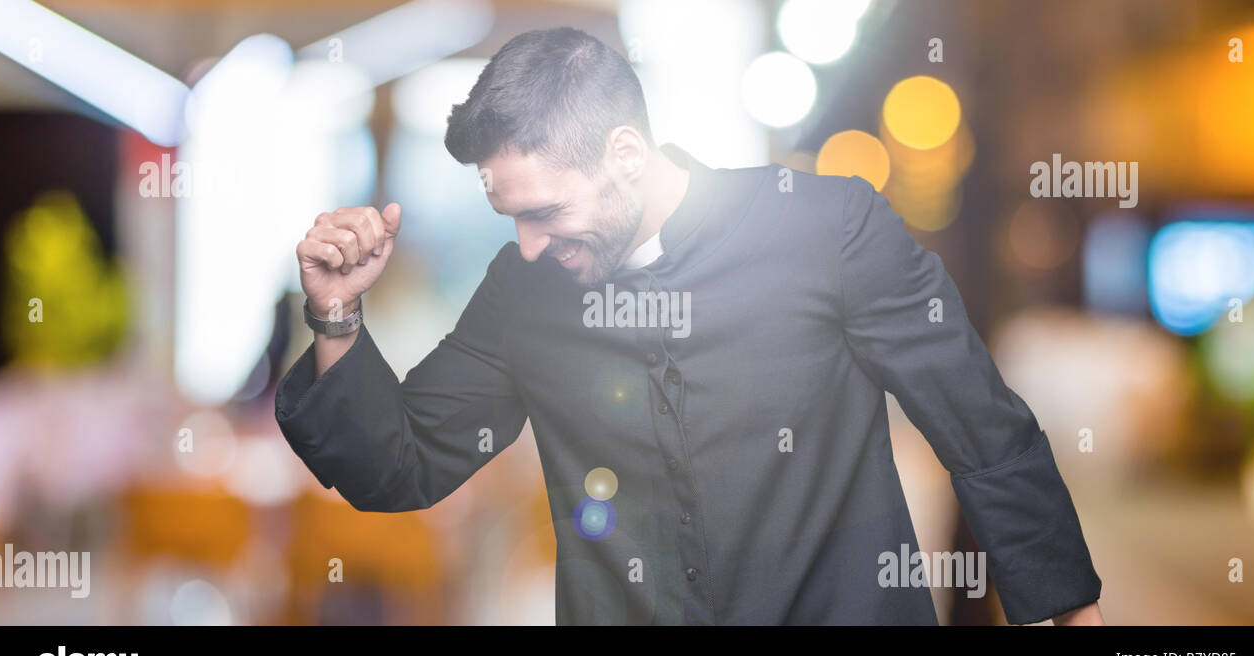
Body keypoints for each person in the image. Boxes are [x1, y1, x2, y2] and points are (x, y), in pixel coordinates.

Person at [274, 27, 1104, 625]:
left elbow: (981, 426)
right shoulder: (522, 289)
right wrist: (338, 314)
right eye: (509, 217)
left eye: (547, 212)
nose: (526, 245)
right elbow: (402, 467)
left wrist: (1072, 616)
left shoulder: (827, 228)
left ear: (627, 154)